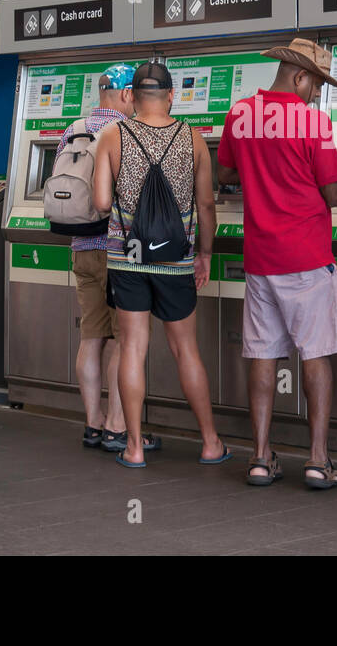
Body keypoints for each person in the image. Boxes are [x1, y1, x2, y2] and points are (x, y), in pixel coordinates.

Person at [216, 38, 337, 490]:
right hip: (305, 257)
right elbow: (335, 194)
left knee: (262, 354)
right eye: (317, 85)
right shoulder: (312, 122)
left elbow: (225, 174)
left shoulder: (240, 114)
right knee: (315, 355)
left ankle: (260, 459)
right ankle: (317, 461)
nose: (317, 94)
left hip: (260, 259)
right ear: (300, 76)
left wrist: (264, 172)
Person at [91, 62, 230, 469]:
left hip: (127, 257)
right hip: (176, 257)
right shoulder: (194, 138)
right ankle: (210, 442)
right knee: (185, 348)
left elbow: (101, 203)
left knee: (132, 348)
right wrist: (204, 254)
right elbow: (206, 206)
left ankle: (133, 447)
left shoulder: (112, 135)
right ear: (172, 95)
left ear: (131, 95)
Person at [56, 64, 150, 453]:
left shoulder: (73, 128)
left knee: (91, 336)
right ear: (127, 94)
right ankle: (116, 427)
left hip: (81, 247)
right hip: (117, 252)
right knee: (123, 338)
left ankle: (92, 424)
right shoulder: (126, 133)